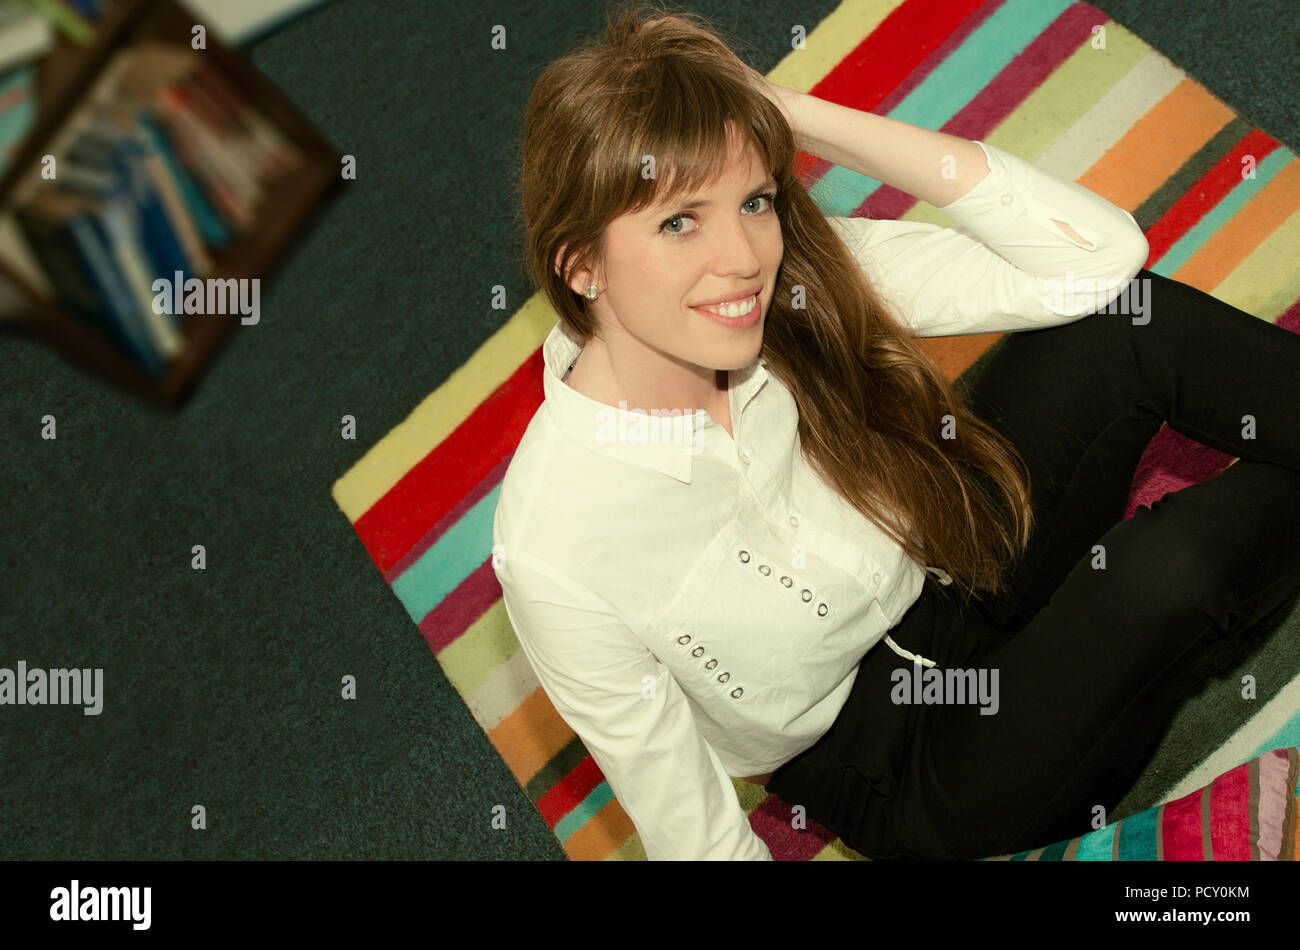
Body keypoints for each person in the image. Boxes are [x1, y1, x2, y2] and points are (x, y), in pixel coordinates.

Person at [492, 2, 1300, 860]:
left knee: (1122, 323)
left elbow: (1097, 259)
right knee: (1168, 565)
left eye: (755, 199)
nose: (741, 259)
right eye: (679, 221)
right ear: (580, 266)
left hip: (953, 558)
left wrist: (786, 115)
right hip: (917, 770)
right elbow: (695, 836)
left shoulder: (784, 281)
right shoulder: (556, 550)